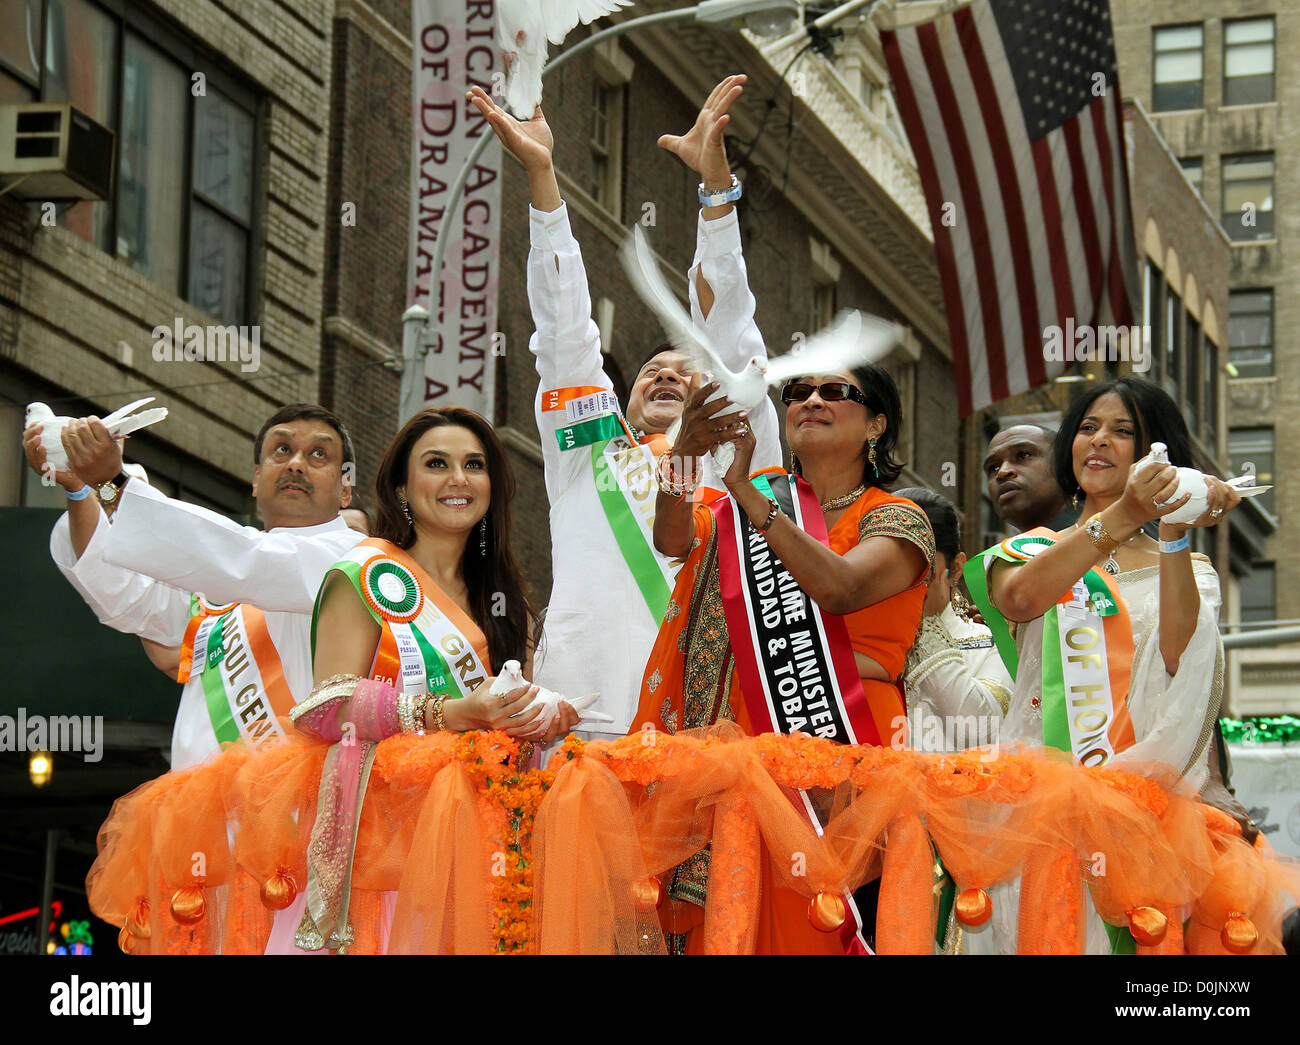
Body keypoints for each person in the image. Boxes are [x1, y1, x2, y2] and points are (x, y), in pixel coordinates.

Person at [89, 407, 580, 954]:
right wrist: (453, 713)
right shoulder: (363, 569)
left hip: (469, 848)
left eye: (474, 465)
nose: (458, 479)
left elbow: (514, 733)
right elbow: (327, 708)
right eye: (436, 463)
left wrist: (542, 716)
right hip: (375, 848)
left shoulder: (507, 605)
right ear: (401, 487)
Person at [468, 76, 782, 746]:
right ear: (625, 398)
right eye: (651, 371)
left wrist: (716, 195)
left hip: (703, 735)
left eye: (684, 370)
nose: (667, 372)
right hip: (582, 726)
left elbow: (730, 334)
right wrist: (543, 178)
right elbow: (564, 337)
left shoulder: (738, 454)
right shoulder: (588, 453)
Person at [632, 364, 935, 954]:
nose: (811, 401)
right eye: (798, 392)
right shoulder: (757, 498)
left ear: (876, 424)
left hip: (841, 740)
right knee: (734, 918)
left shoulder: (895, 516)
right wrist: (685, 458)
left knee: (818, 920)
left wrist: (749, 497)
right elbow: (675, 540)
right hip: (741, 746)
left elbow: (841, 588)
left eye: (835, 392)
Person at [969, 376, 1242, 953]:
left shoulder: (1190, 570)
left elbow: (1179, 659)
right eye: (1088, 428)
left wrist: (1173, 528)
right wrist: (1127, 511)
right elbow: (1022, 598)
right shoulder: (1028, 551)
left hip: (1137, 807)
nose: (1099, 441)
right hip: (1033, 803)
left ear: (1156, 454)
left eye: (1123, 431)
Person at [25, 403, 366, 768]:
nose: (296, 464)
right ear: (256, 479)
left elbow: (246, 560)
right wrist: (80, 489)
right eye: (282, 449)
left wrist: (112, 483)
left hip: (297, 798)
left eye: (319, 454)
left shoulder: (352, 557)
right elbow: (128, 597)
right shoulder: (220, 575)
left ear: (345, 490)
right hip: (199, 798)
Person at [898, 488, 1009, 753]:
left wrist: (924, 625)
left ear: (956, 568)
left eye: (918, 564)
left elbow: (979, 731)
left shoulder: (994, 643)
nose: (898, 577)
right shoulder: (856, 642)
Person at [982, 423, 1076, 534]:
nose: (1002, 472)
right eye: (994, 467)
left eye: (1023, 455)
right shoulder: (1015, 545)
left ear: (1064, 464)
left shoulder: (1092, 535)